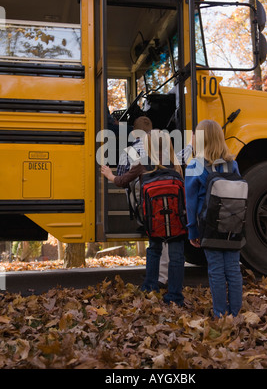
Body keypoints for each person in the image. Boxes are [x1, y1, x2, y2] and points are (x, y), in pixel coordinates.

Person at [101, 129, 186, 306]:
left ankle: (150, 287)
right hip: (176, 219)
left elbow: (122, 181)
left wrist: (109, 174)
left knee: (154, 250)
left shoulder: (142, 163)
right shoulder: (176, 163)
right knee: (176, 256)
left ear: (147, 145)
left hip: (153, 219)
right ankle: (175, 296)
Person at [185, 119, 243, 318]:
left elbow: (191, 203)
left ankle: (220, 313)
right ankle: (236, 313)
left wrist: (192, 231)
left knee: (216, 269)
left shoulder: (195, 165)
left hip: (208, 226)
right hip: (233, 223)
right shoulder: (232, 163)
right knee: (233, 269)